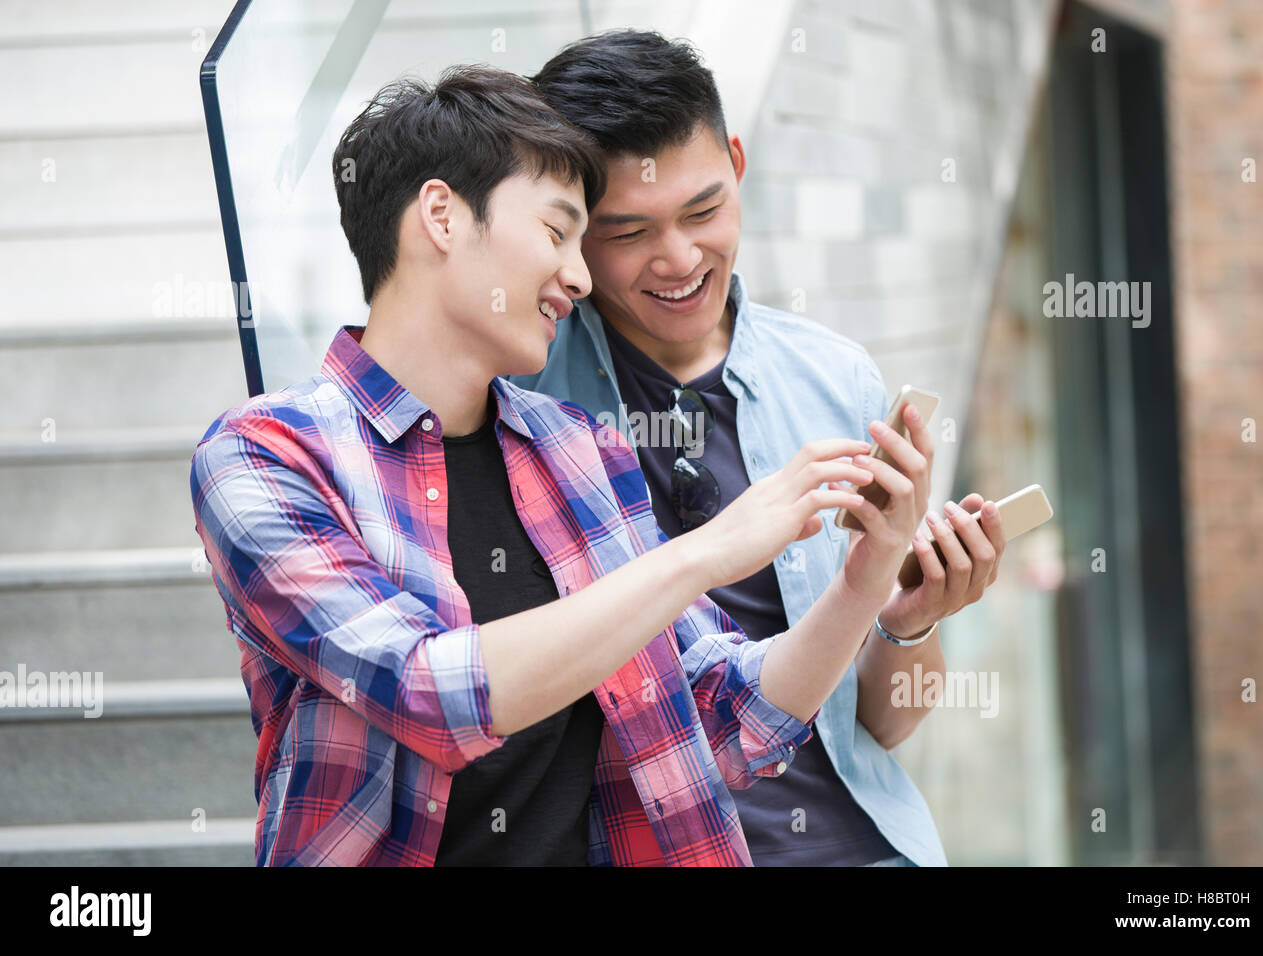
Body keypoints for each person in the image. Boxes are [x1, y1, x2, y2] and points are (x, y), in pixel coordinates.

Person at [189, 65, 937, 866]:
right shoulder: (267, 456)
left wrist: (867, 577)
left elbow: (727, 719)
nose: (579, 278)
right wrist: (708, 549)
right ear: (441, 216)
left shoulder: (580, 450)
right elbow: (428, 693)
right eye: (557, 232)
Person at [510, 30, 1007, 866]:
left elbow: (878, 728)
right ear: (567, 230)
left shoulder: (834, 379)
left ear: (738, 163)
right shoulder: (523, 398)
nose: (679, 259)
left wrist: (910, 625)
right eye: (628, 230)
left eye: (704, 212)